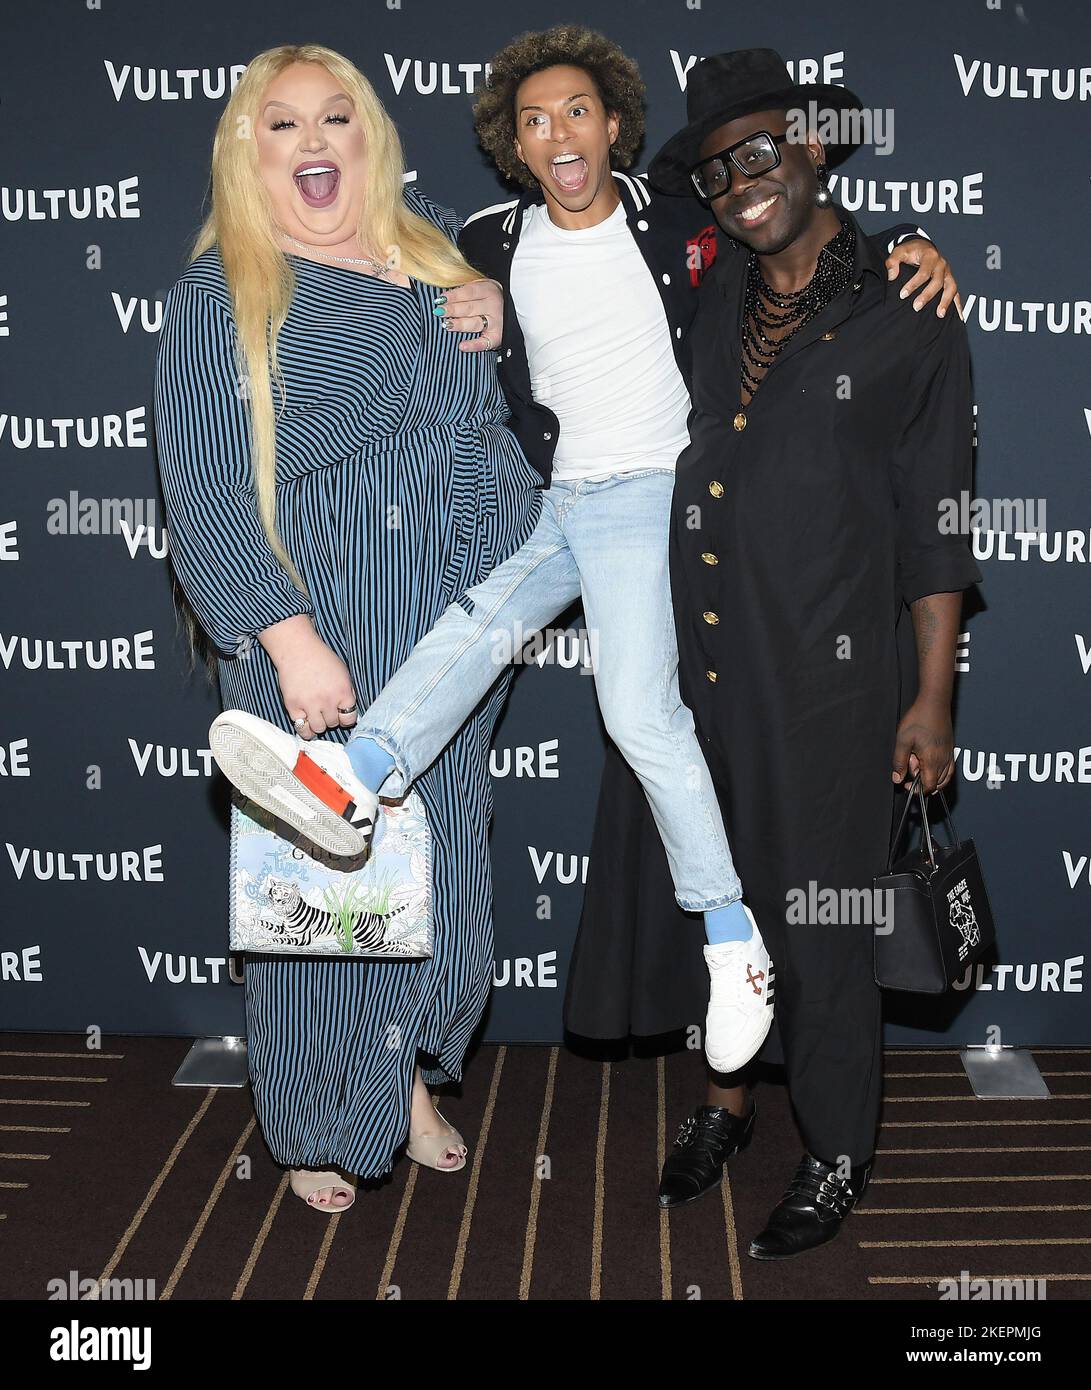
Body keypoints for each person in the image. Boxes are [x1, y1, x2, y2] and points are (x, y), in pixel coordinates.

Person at [208, 26, 959, 1082]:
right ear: (511, 148)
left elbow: (789, 210)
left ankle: (731, 937)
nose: (556, 133)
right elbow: (405, 273)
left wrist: (904, 241)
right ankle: (357, 775)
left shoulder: (675, 209)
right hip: (554, 498)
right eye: (530, 120)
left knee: (637, 713)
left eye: (575, 112)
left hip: (653, 492)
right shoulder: (485, 236)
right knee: (473, 627)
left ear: (611, 127)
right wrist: (463, 298)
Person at [570, 47, 981, 1258]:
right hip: (699, 667)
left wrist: (929, 696)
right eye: (713, 168)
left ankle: (838, 1141)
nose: (737, 181)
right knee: (721, 905)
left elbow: (938, 521)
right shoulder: (703, 288)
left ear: (814, 148)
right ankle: (724, 1102)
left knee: (820, 927)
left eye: (759, 151)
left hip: (830, 680)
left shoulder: (905, 305)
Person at [154, 43, 543, 1212]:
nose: (313, 141)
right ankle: (318, 1122)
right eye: (282, 126)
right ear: (246, 151)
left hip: (449, 623)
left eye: (336, 117)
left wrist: (487, 300)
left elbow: (492, 395)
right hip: (315, 631)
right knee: (328, 910)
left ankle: (408, 1078)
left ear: (369, 135)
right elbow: (207, 486)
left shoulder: (429, 241)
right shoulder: (220, 293)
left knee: (452, 894)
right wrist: (285, 638)